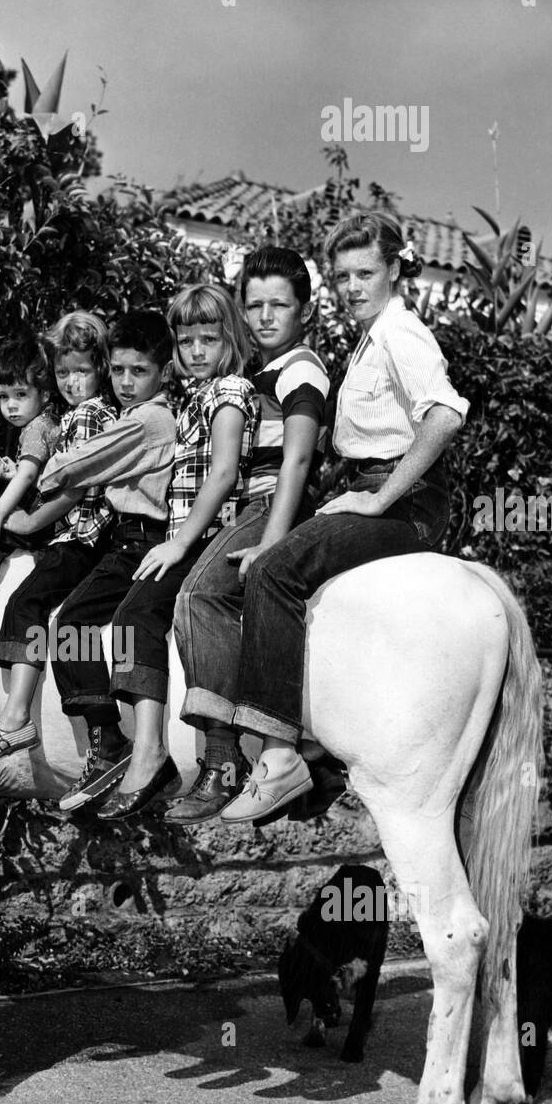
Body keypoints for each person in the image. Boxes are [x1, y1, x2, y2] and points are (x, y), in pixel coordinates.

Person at [220, 211, 469, 824]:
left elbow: (445, 416)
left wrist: (381, 499)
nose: (352, 286)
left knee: (273, 571)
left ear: (395, 270)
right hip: (374, 484)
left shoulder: (399, 333)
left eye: (366, 273)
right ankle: (321, 751)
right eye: (341, 276)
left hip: (403, 500)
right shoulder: (369, 336)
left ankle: (277, 758)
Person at [166, 248, 330, 822]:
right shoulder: (254, 372)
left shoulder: (300, 368)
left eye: (278, 305)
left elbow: (298, 459)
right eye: (254, 304)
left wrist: (273, 540)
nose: (265, 316)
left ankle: (221, 757)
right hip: (252, 504)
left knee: (200, 593)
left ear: (303, 310)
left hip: (272, 503)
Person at [93, 283, 261, 820]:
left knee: (142, 611)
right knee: (125, 613)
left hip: (209, 532)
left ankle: (157, 751)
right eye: (185, 340)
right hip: (183, 530)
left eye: (208, 338)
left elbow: (225, 471)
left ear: (229, 338)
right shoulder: (188, 398)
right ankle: (139, 744)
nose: (195, 351)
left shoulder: (229, 390)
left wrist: (181, 541)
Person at [33, 310, 178, 812]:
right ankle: (105, 741)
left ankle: (109, 740)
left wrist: (44, 472)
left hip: (139, 539)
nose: (125, 382)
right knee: (75, 617)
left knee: (72, 620)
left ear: (163, 370)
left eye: (138, 371)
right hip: (125, 535)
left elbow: (80, 463)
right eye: (117, 371)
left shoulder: (146, 419)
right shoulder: (138, 415)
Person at [0, 311, 117, 763]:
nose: (71, 381)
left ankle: (15, 720)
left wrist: (14, 517)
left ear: (100, 370)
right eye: (63, 372)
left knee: (27, 603)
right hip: (80, 534)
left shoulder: (86, 416)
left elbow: (76, 486)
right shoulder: (74, 416)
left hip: (81, 536)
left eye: (81, 371)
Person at [0, 334, 62, 600]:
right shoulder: (49, 422)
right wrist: (13, 472)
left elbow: (29, 474)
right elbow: (37, 473)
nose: (11, 405)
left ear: (45, 392)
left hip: (38, 520)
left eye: (20, 394)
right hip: (51, 517)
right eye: (3, 397)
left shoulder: (35, 428)